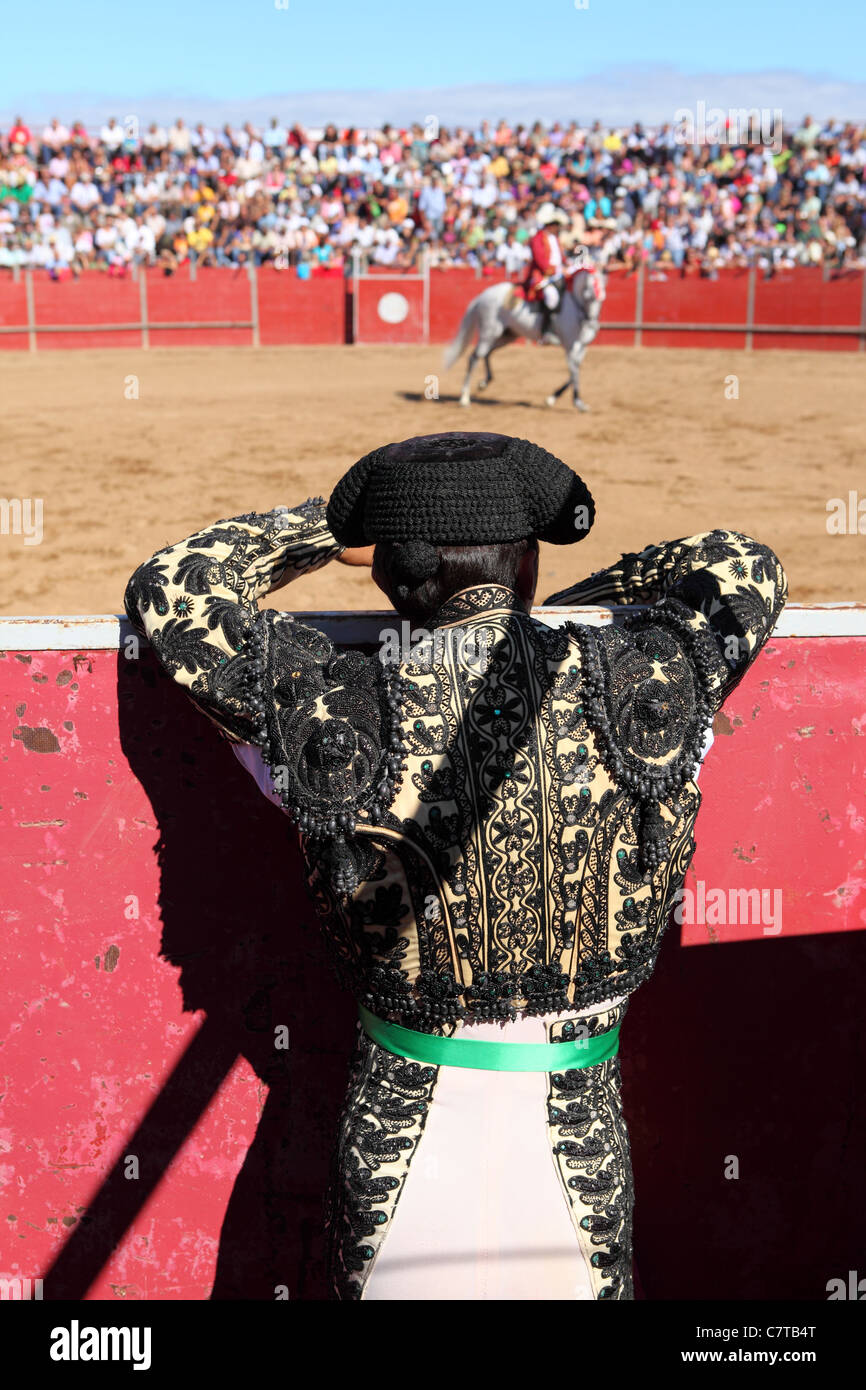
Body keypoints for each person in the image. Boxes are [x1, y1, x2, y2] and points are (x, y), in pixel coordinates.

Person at [124, 430, 787, 1300]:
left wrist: (332, 524)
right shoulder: (643, 680)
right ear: (526, 569)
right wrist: (590, 602)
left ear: (393, 575)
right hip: (579, 1142)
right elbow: (742, 565)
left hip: (400, 1145)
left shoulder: (335, 705)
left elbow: (174, 586)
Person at [524, 201, 569, 339]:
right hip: (543, 276)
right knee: (551, 296)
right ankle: (546, 330)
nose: (558, 228)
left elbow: (561, 257)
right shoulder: (537, 238)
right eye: (556, 225)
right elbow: (541, 261)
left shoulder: (554, 238)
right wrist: (557, 269)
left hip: (558, 274)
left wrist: (568, 265)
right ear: (550, 225)